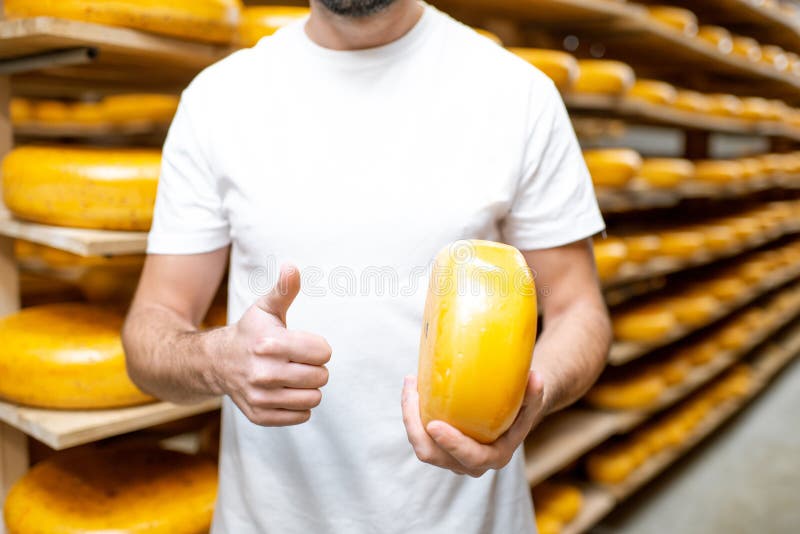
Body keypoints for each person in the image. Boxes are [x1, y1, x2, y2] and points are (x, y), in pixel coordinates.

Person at [122, 0, 612, 532]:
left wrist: (531, 396)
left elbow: (578, 311)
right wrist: (216, 360)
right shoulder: (219, 100)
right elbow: (151, 328)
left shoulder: (516, 94)